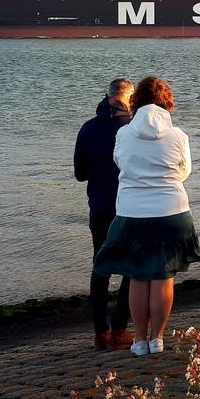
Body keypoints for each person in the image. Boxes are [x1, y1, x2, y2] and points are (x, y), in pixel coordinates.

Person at [94, 77, 200, 357]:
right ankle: (158, 339)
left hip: (132, 212)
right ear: (167, 103)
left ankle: (139, 340)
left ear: (135, 101)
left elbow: (120, 163)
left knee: (138, 276)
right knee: (163, 276)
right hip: (172, 211)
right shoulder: (178, 135)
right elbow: (184, 171)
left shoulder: (123, 134)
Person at [74, 78, 135, 349]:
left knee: (101, 268)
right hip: (129, 208)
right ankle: (120, 330)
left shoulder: (88, 128)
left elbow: (80, 174)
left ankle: (100, 333)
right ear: (129, 99)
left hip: (99, 207)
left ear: (107, 96)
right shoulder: (132, 129)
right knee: (131, 268)